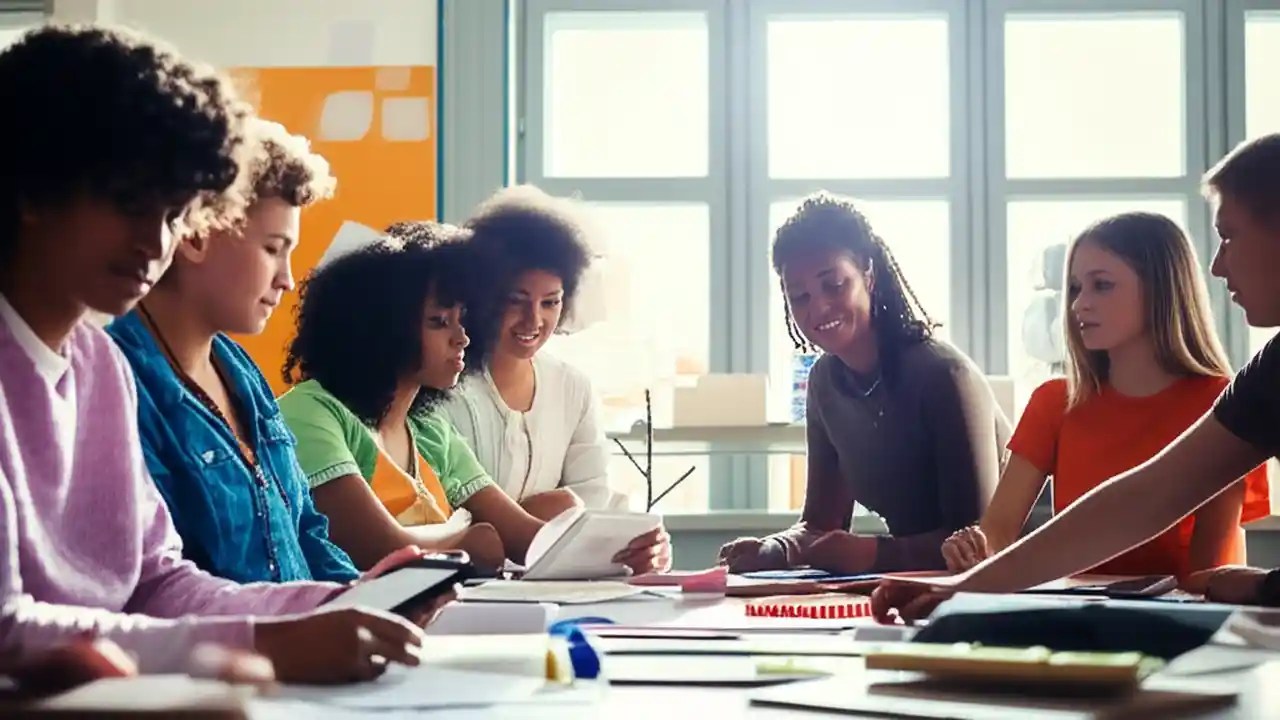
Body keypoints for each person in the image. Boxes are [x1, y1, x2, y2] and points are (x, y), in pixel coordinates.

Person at [0, 23, 433, 683]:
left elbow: (156, 582)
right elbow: (7, 632)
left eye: (175, 213)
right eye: (129, 203)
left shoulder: (99, 366)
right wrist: (268, 643)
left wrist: (338, 606)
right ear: (34, 189)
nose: (155, 241)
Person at [872, 134, 1280, 621]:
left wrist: (1263, 586)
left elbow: (1186, 544)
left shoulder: (1218, 390)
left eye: (1229, 236)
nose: (1217, 265)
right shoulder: (1268, 375)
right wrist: (964, 584)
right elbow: (1145, 498)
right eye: (1075, 288)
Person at [107, 118, 371, 585]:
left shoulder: (238, 369)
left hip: (304, 626)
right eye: (273, 249)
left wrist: (367, 597)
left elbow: (305, 531)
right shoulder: (116, 376)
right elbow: (158, 582)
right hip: (222, 631)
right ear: (196, 235)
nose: (287, 279)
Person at [941, 213, 1269, 579]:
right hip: (1073, 606)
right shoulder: (1054, 401)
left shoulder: (1224, 402)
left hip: (1179, 608)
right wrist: (974, 552)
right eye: (1075, 288)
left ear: (1160, 289)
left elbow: (1212, 567)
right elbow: (997, 534)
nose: (1079, 304)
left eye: (1102, 285)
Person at [717, 192, 1010, 574]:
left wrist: (874, 554)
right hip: (932, 582)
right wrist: (775, 549)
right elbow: (820, 523)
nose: (818, 307)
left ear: (868, 276)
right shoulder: (824, 382)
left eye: (834, 285)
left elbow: (978, 543)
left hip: (1039, 580)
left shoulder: (944, 376)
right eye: (799, 296)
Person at [434, 187, 669, 570]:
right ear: (485, 295)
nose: (534, 320)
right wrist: (548, 511)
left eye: (550, 302)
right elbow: (439, 518)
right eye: (516, 300)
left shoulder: (572, 388)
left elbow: (592, 503)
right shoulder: (443, 387)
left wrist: (643, 548)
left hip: (556, 583)